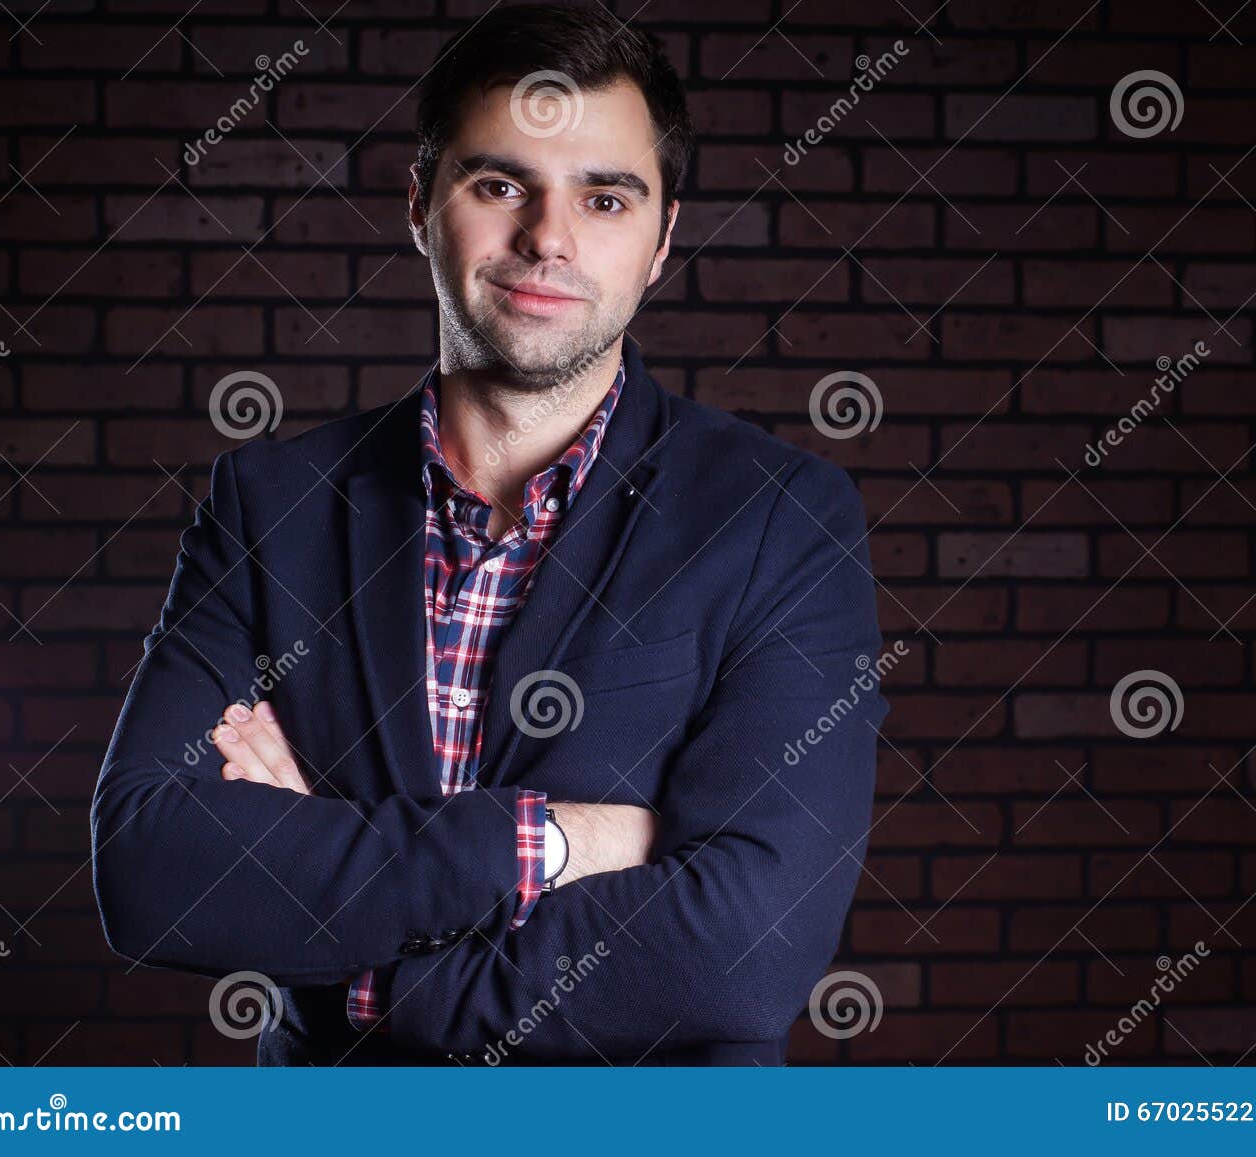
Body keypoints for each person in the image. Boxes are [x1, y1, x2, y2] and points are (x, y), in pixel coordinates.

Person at [91, 2, 885, 1066]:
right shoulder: (271, 504)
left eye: (605, 198)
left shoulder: (778, 518)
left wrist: (358, 960)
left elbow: (746, 950)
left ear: (661, 242)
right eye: (501, 184)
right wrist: (544, 841)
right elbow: (149, 869)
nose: (548, 238)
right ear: (419, 202)